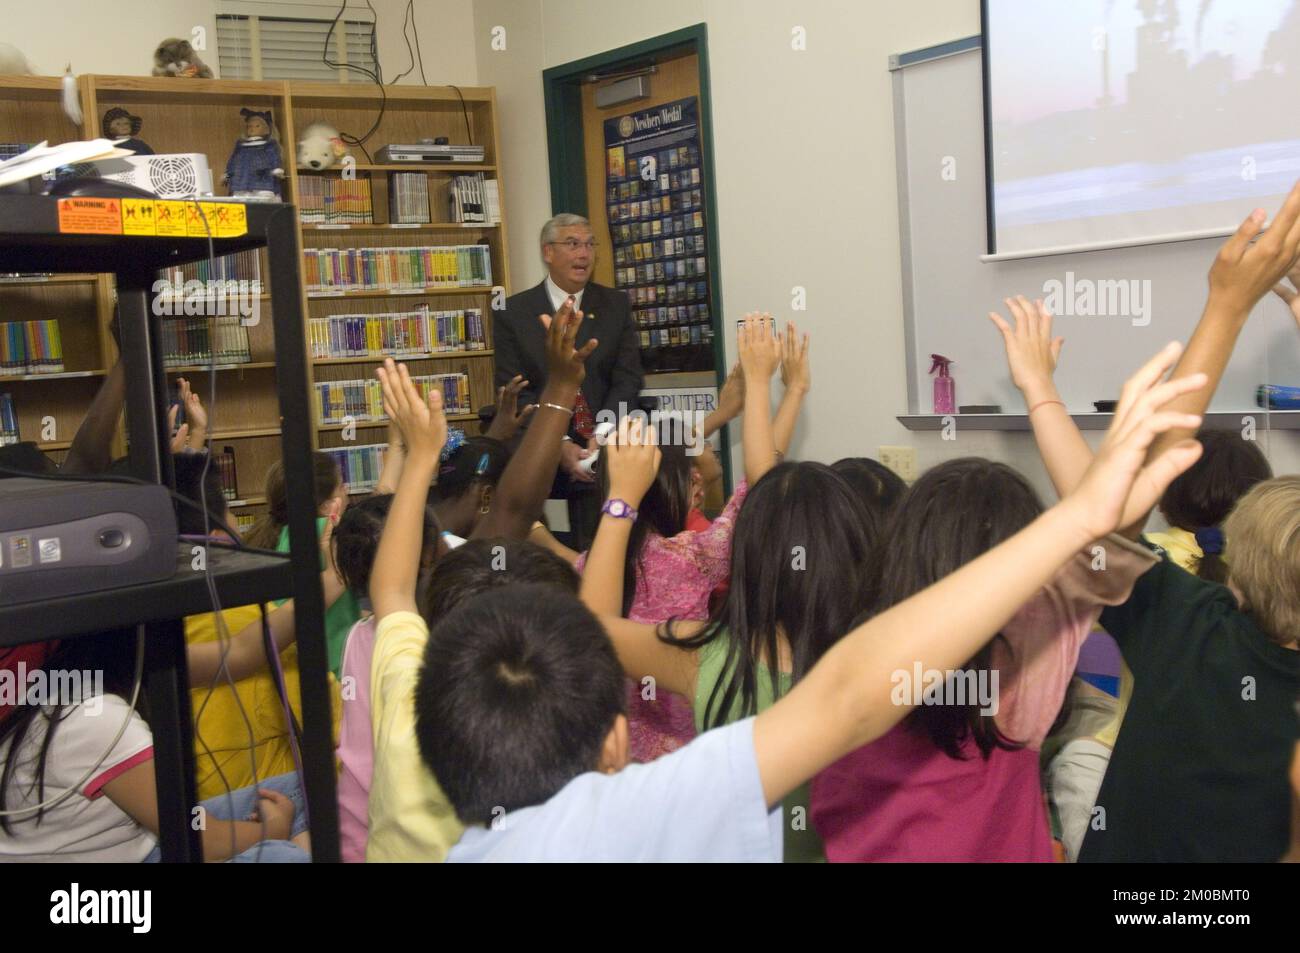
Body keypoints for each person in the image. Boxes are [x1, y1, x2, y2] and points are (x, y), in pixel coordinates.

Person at [493, 213, 645, 546]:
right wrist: (558, 443)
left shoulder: (615, 305)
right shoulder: (513, 313)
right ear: (548, 252)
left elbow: (628, 378)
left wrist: (602, 433)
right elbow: (514, 391)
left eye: (590, 244)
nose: (584, 254)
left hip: (605, 444)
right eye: (573, 244)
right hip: (541, 450)